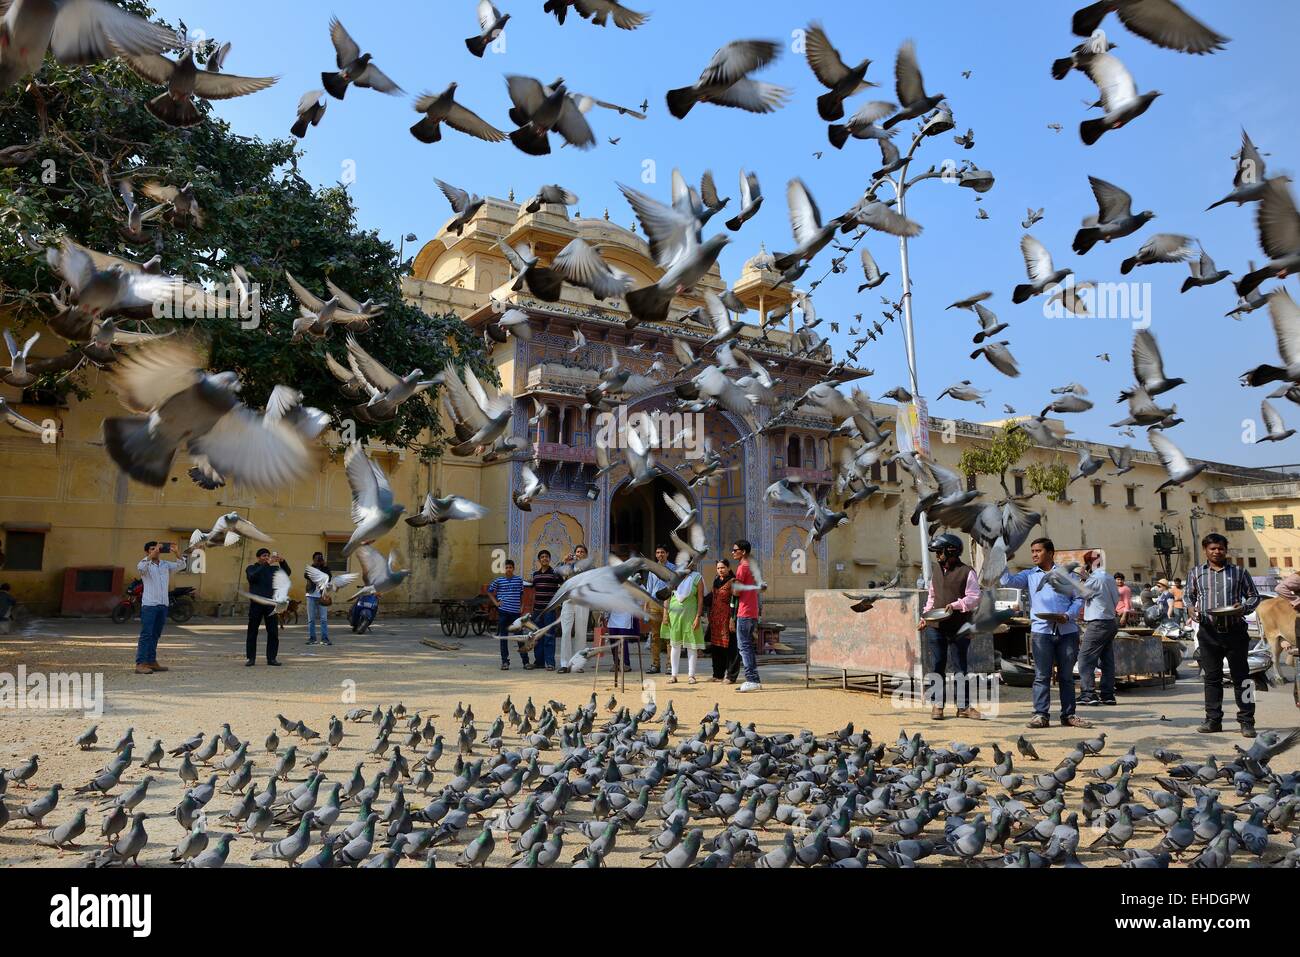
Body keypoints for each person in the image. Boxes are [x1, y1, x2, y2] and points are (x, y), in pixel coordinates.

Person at [1001, 537, 1091, 728]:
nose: (1034, 554)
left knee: (1066, 676)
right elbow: (1008, 581)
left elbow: (1079, 598)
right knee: (1042, 675)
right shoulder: (1029, 575)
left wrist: (1067, 615)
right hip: (1041, 632)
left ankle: (1068, 715)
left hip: (1067, 631)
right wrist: (1003, 560)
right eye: (1032, 551)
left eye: (1038, 551)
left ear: (1050, 553)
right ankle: (1041, 715)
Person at [1185, 532, 1261, 737]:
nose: (1217, 552)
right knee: (1211, 678)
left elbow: (1254, 596)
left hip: (1235, 632)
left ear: (1225, 550)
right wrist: (1190, 609)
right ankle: (1213, 720)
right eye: (1212, 549)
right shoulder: (1195, 573)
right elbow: (1188, 597)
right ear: (1205, 551)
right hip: (1208, 633)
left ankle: (1247, 721)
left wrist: (1243, 608)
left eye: (1220, 548)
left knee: (1242, 678)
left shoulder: (1239, 572)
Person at [916, 533, 981, 720]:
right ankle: (937, 705)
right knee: (937, 666)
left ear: (951, 551)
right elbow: (932, 597)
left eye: (939, 552)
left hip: (960, 627)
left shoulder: (967, 571)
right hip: (935, 626)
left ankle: (964, 707)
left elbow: (974, 598)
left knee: (960, 667)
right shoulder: (936, 570)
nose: (937, 556)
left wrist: (956, 605)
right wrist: (925, 617)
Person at [1077, 550, 1121, 707]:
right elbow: (1116, 598)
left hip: (1098, 622)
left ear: (1089, 564)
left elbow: (1080, 594)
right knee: (1107, 660)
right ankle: (1108, 695)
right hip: (1110, 621)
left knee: (1084, 659)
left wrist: (1082, 578)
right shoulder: (1108, 577)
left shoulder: (1095, 579)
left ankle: (1088, 694)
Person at [135, 541, 184, 674]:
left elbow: (182, 565)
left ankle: (151, 661)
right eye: (152, 548)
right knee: (146, 634)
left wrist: (177, 553)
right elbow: (140, 568)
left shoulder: (165, 565)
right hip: (150, 605)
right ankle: (140, 663)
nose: (156, 550)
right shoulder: (145, 564)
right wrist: (151, 555)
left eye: (157, 548)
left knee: (155, 635)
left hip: (163, 604)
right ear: (147, 552)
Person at [245, 548, 289, 666]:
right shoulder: (251, 568)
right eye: (264, 556)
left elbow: (287, 573)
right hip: (256, 604)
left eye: (268, 556)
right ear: (258, 557)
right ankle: (251, 658)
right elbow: (253, 577)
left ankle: (271, 658)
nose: (266, 557)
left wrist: (282, 561)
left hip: (271, 604)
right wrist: (266, 564)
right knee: (252, 632)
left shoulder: (274, 569)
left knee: (273, 632)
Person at [664, 564, 705, 684]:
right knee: (675, 646)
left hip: (690, 615)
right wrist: (665, 614)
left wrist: (698, 617)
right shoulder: (674, 577)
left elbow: (700, 599)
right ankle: (673, 675)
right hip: (674, 615)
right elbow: (667, 596)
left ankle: (691, 676)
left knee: (691, 646)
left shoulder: (697, 577)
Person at [732, 539, 762, 693]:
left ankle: (751, 678)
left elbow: (736, 592)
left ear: (743, 552)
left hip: (744, 611)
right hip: (752, 610)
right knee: (747, 646)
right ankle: (754, 678)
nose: (733, 552)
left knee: (744, 646)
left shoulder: (742, 567)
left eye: (735, 550)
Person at [528, 550, 564, 671]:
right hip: (537, 611)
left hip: (549, 611)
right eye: (542, 557)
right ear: (539, 560)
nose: (544, 559)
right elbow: (534, 591)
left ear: (549, 559)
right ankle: (539, 662)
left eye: (546, 557)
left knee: (549, 636)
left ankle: (550, 663)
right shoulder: (535, 575)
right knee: (537, 637)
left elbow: (563, 586)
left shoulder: (554, 574)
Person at [557, 545, 591, 673]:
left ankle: (577, 664)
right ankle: (565, 664)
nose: (579, 553)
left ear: (585, 555)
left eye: (582, 552)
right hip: (568, 600)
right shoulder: (568, 565)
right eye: (577, 551)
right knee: (565, 632)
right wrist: (564, 561)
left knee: (581, 632)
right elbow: (557, 573)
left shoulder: (589, 567)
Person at [644, 545, 676, 675]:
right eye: (658, 552)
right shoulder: (652, 569)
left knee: (668, 636)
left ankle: (670, 665)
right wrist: (646, 605)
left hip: (668, 604)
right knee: (655, 636)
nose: (660, 554)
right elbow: (649, 587)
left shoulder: (673, 568)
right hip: (654, 604)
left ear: (667, 554)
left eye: (662, 552)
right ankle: (655, 664)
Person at [707, 560, 740, 683]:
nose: (720, 570)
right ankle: (718, 674)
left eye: (723, 567)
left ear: (728, 567)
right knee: (716, 647)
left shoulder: (733, 581)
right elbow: (711, 598)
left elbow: (735, 601)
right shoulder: (716, 581)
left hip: (727, 618)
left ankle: (731, 676)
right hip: (716, 620)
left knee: (731, 648)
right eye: (718, 568)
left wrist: (733, 618)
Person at [488, 560, 525, 670]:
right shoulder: (499, 581)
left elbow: (522, 594)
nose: (508, 569)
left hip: (515, 613)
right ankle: (505, 662)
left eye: (510, 567)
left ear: (513, 568)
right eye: (507, 567)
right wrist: (496, 603)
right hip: (503, 612)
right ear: (504, 569)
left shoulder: (518, 580)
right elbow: (489, 591)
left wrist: (522, 606)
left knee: (520, 637)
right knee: (503, 638)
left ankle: (525, 661)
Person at [304, 552, 332, 647]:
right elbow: (306, 575)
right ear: (313, 559)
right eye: (317, 558)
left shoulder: (325, 568)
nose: (319, 560)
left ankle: (325, 638)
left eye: (320, 558)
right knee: (311, 619)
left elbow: (329, 577)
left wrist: (324, 567)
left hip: (322, 596)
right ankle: (312, 638)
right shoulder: (311, 568)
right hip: (311, 595)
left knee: (324, 619)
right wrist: (315, 566)